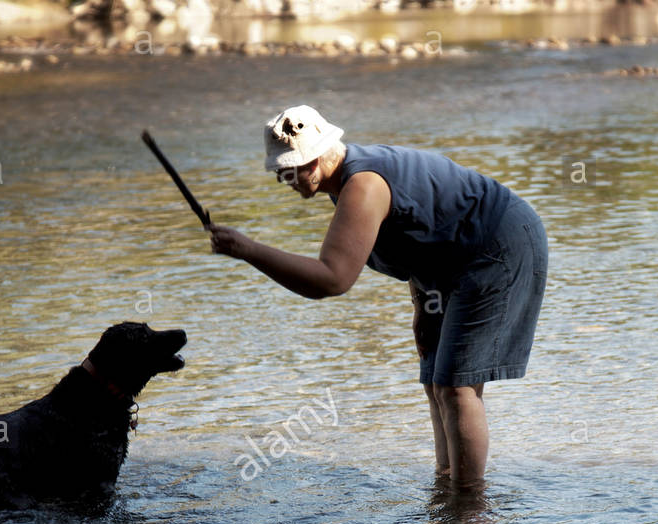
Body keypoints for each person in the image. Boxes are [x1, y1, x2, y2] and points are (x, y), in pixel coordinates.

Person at [208, 105, 547, 491]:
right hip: (450, 264)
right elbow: (420, 233)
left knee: (456, 385)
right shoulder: (348, 183)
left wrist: (249, 250)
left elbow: (331, 280)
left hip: (498, 246)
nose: (283, 177)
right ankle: (447, 484)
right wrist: (423, 307)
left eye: (290, 167)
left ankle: (467, 508)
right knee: (436, 381)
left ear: (317, 158)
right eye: (279, 169)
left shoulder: (364, 185)